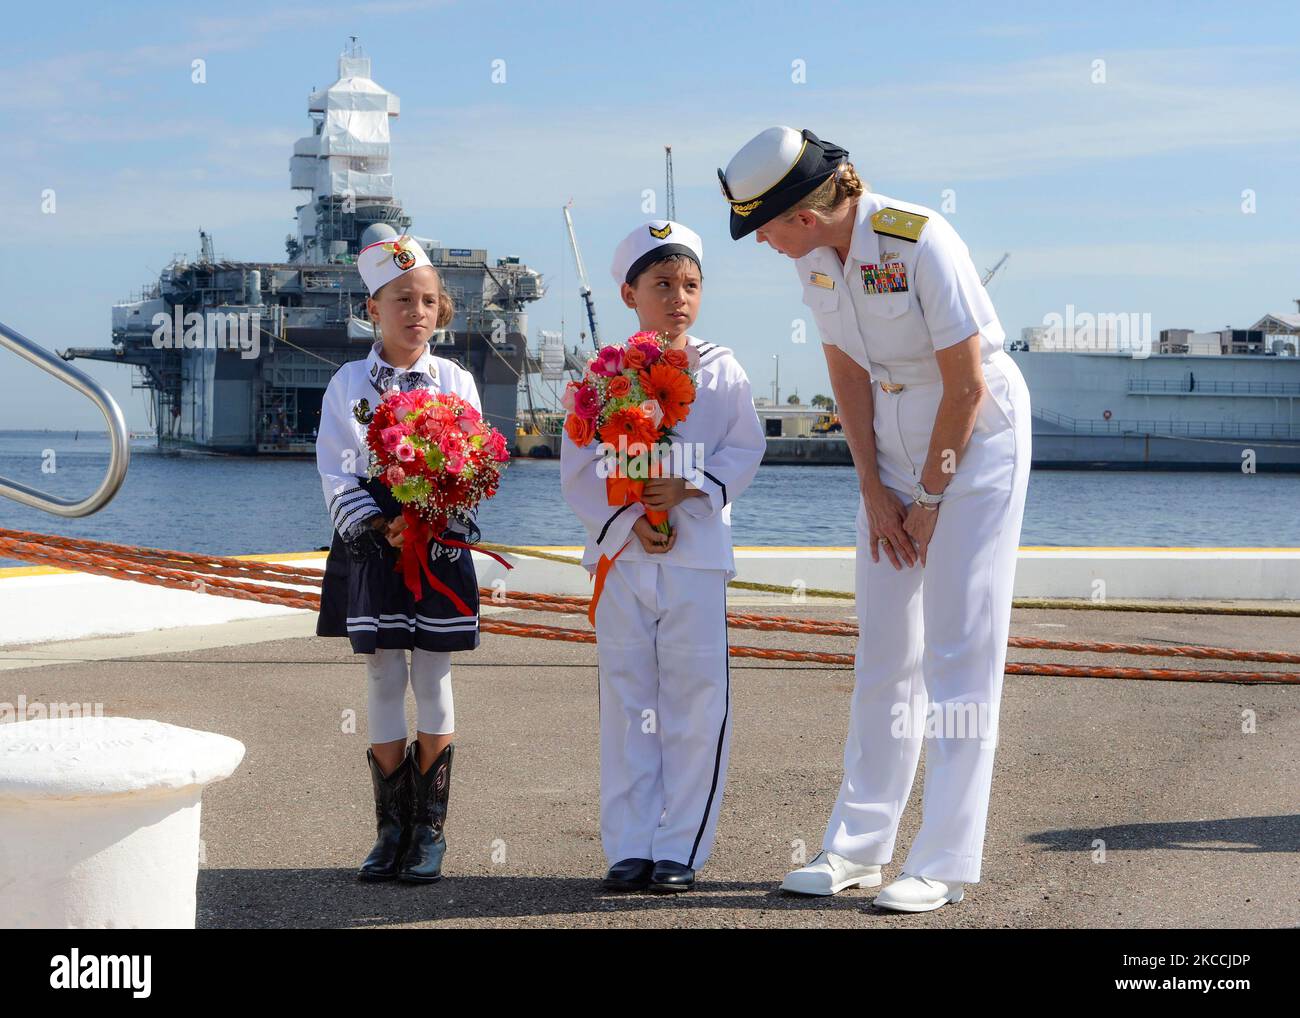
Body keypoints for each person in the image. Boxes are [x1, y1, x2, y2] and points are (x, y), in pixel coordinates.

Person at [719, 127, 1032, 912]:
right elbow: (847, 370)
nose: (761, 241)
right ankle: (858, 848)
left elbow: (966, 387)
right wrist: (873, 489)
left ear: (806, 210)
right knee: (886, 645)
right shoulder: (817, 261)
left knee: (961, 647)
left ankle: (946, 859)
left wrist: (928, 501)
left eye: (765, 224)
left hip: (974, 438)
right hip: (890, 442)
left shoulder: (921, 240)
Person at [560, 220, 766, 893]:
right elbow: (579, 464)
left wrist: (692, 488)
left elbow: (745, 447)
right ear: (630, 294)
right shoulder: (602, 374)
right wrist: (628, 523)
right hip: (624, 559)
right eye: (663, 284)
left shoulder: (722, 367)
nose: (679, 297)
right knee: (626, 703)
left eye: (691, 285)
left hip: (697, 557)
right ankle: (628, 845)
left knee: (695, 702)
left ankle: (679, 846)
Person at [315, 234, 483, 884]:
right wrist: (379, 524)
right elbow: (335, 467)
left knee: (433, 677)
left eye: (428, 300)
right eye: (402, 300)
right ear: (373, 307)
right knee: (384, 678)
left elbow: (473, 459)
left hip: (438, 543)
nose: (417, 311)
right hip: (374, 547)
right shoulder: (348, 384)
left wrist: (433, 514)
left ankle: (428, 835)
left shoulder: (455, 380)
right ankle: (390, 832)